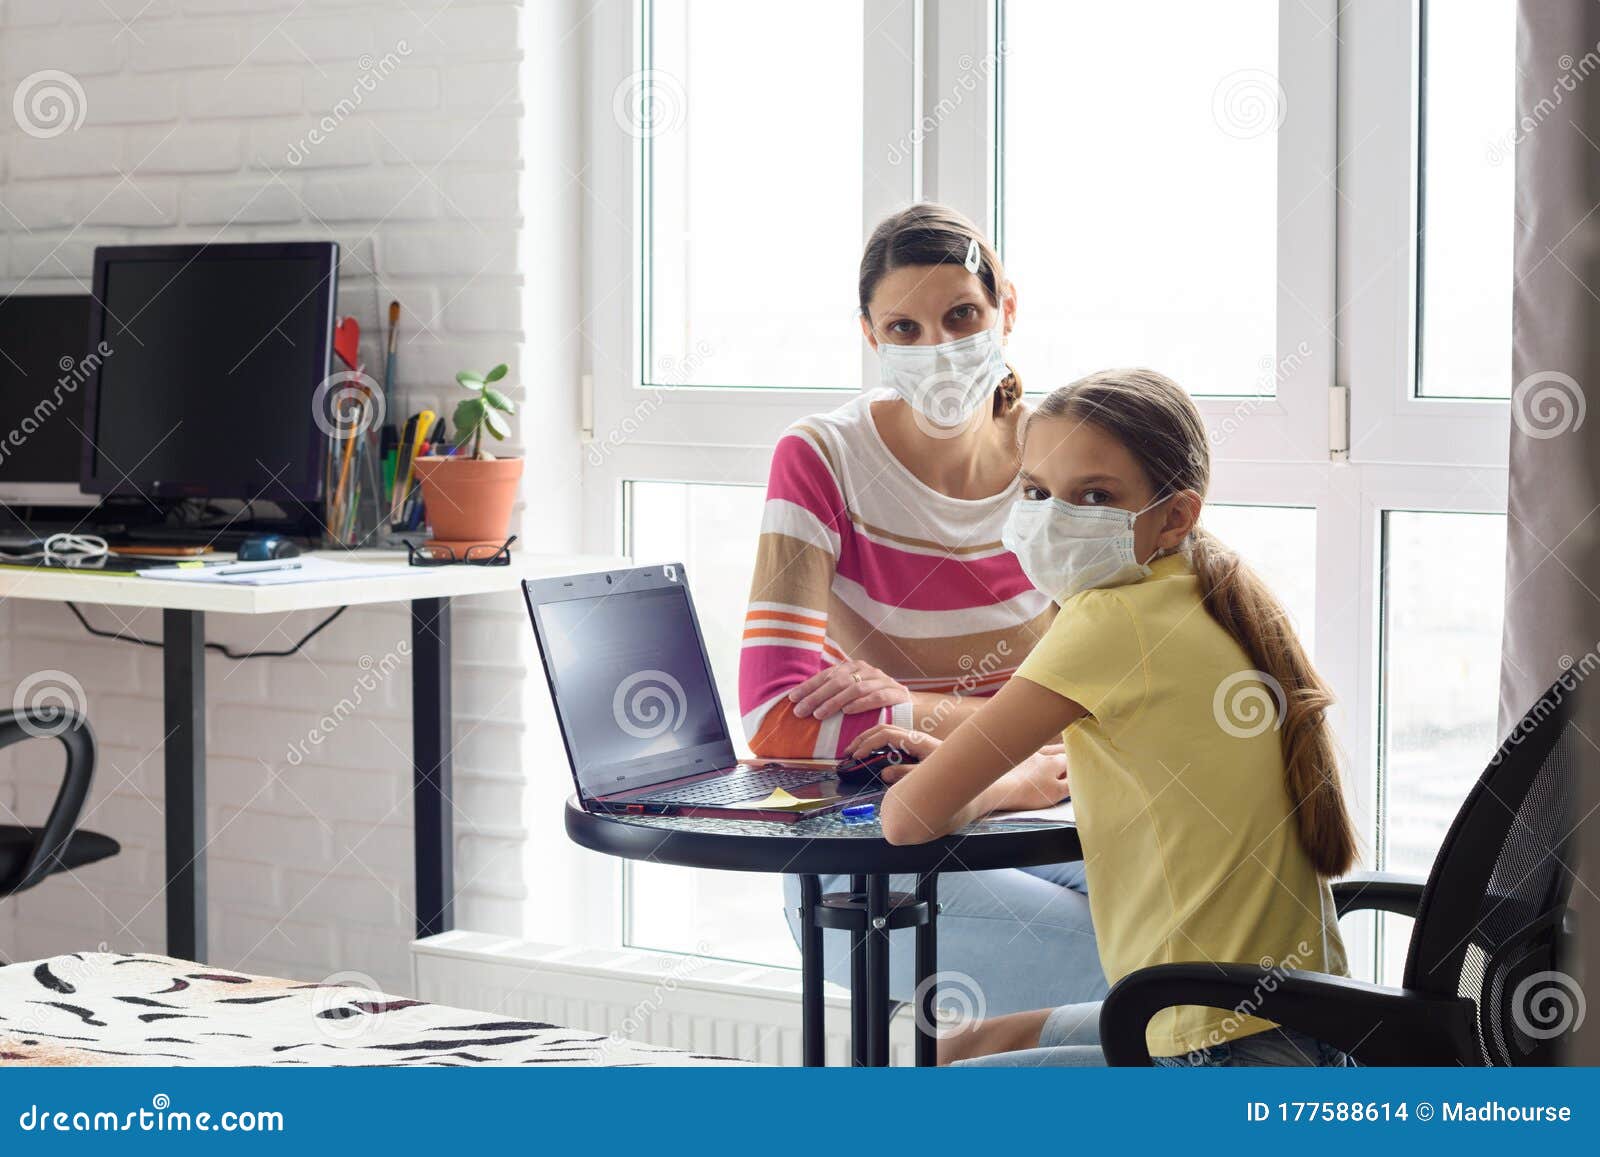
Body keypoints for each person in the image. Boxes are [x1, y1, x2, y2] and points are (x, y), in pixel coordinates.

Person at [847, 368, 1356, 1067]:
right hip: (1305, 1020)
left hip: (1225, 1052)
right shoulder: (1200, 589)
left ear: (1174, 515)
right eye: (1036, 491)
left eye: (1094, 496)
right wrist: (997, 776)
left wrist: (991, 788)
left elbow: (906, 818)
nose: (1053, 517)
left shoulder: (1111, 617)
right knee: (969, 1042)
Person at [739, 203, 1106, 1014]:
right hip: (877, 846)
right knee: (1147, 978)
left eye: (962, 316)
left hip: (1052, 809)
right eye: (904, 328)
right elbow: (775, 718)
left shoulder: (1063, 459)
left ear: (1007, 309)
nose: (937, 347)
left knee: (1230, 943)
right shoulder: (821, 458)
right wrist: (1017, 752)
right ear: (870, 336)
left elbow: (1111, 697)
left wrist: (910, 710)